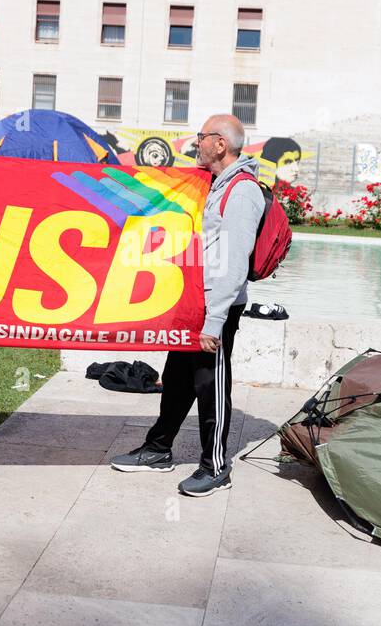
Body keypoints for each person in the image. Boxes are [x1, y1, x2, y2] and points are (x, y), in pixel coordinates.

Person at [110, 114, 265, 496]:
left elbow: (233, 262)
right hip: (195, 302)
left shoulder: (242, 191)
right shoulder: (214, 184)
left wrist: (214, 321)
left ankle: (215, 466)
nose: (195, 143)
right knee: (177, 378)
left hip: (217, 307)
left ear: (220, 144)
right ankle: (159, 449)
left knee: (210, 384)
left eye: (202, 137)